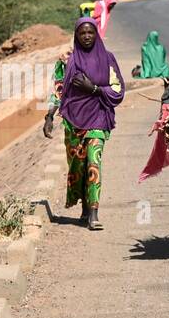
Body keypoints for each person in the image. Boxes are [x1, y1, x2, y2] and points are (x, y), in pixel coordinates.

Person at [42, 17, 125, 230]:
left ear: (96, 34)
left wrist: (94, 89)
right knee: (78, 166)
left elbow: (118, 91)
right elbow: (58, 91)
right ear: (76, 36)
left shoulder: (108, 59)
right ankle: (85, 206)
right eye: (82, 33)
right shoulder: (66, 62)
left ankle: (94, 213)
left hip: (98, 117)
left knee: (94, 162)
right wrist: (50, 116)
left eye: (90, 32)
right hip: (73, 121)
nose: (87, 36)